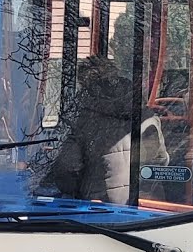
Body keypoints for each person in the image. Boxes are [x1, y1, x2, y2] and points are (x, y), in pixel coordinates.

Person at [37, 56, 169, 204]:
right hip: (147, 205)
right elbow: (161, 161)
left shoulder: (87, 120)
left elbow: (66, 168)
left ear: (90, 87)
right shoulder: (146, 116)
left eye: (83, 86)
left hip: (99, 204)